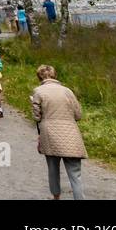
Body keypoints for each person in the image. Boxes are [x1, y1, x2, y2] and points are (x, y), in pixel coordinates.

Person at [30, 64, 87, 200]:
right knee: (75, 174)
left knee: (53, 170)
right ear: (55, 75)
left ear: (39, 77)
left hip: (49, 134)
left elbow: (37, 116)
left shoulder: (38, 92)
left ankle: (56, 197)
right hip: (71, 134)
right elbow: (78, 115)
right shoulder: (67, 91)